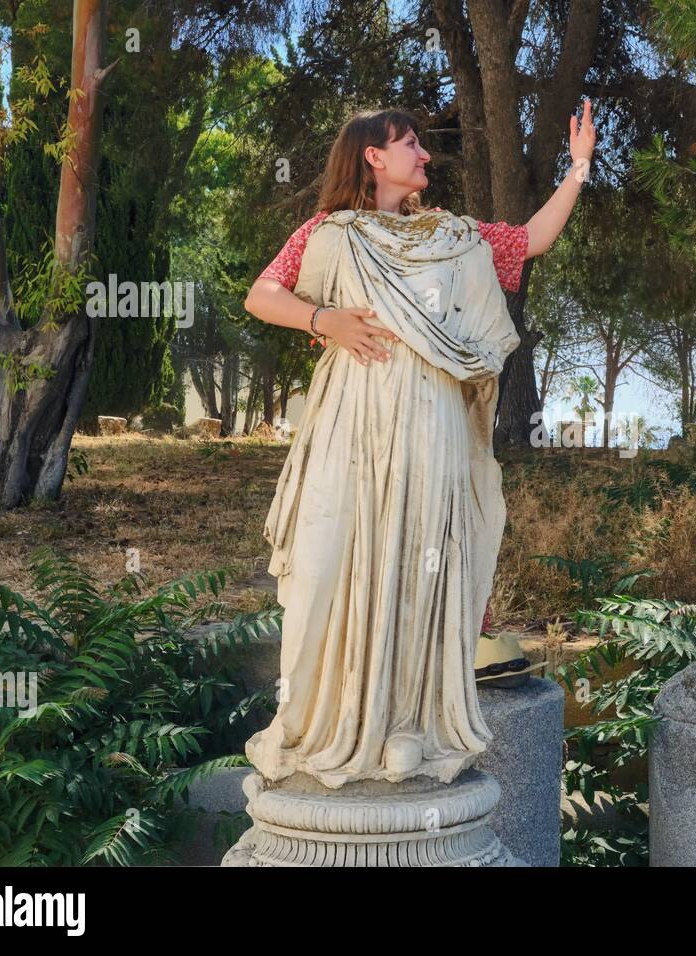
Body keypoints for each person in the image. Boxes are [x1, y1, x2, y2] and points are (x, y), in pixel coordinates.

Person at [241, 102, 596, 787]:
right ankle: (318, 719)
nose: (425, 155)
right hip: (350, 421)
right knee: (329, 561)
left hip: (430, 423)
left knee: (417, 562)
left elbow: (531, 240)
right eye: (410, 144)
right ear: (373, 156)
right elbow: (263, 294)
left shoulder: (454, 238)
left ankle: (406, 724)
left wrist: (579, 166)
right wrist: (325, 319)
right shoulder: (331, 233)